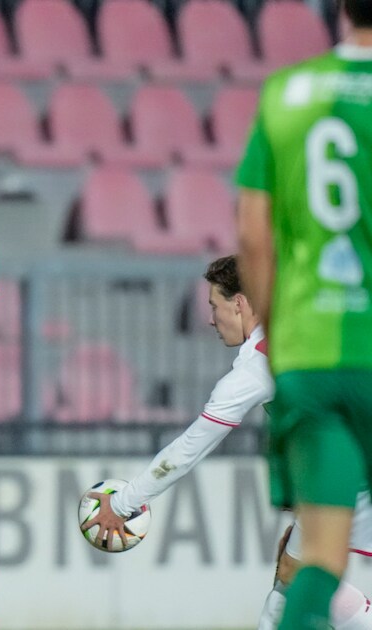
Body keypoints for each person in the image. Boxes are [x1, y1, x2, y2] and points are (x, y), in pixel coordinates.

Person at [80, 256, 372, 629]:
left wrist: (122, 504)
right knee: (285, 589)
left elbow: (189, 448)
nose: (210, 318)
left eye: (214, 305)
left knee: (298, 571)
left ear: (240, 303)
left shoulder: (256, 366)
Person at [235, 1, 372, 627]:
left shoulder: (286, 92)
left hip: (311, 356)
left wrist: (278, 339)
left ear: (341, 9)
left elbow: (254, 238)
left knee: (317, 557)